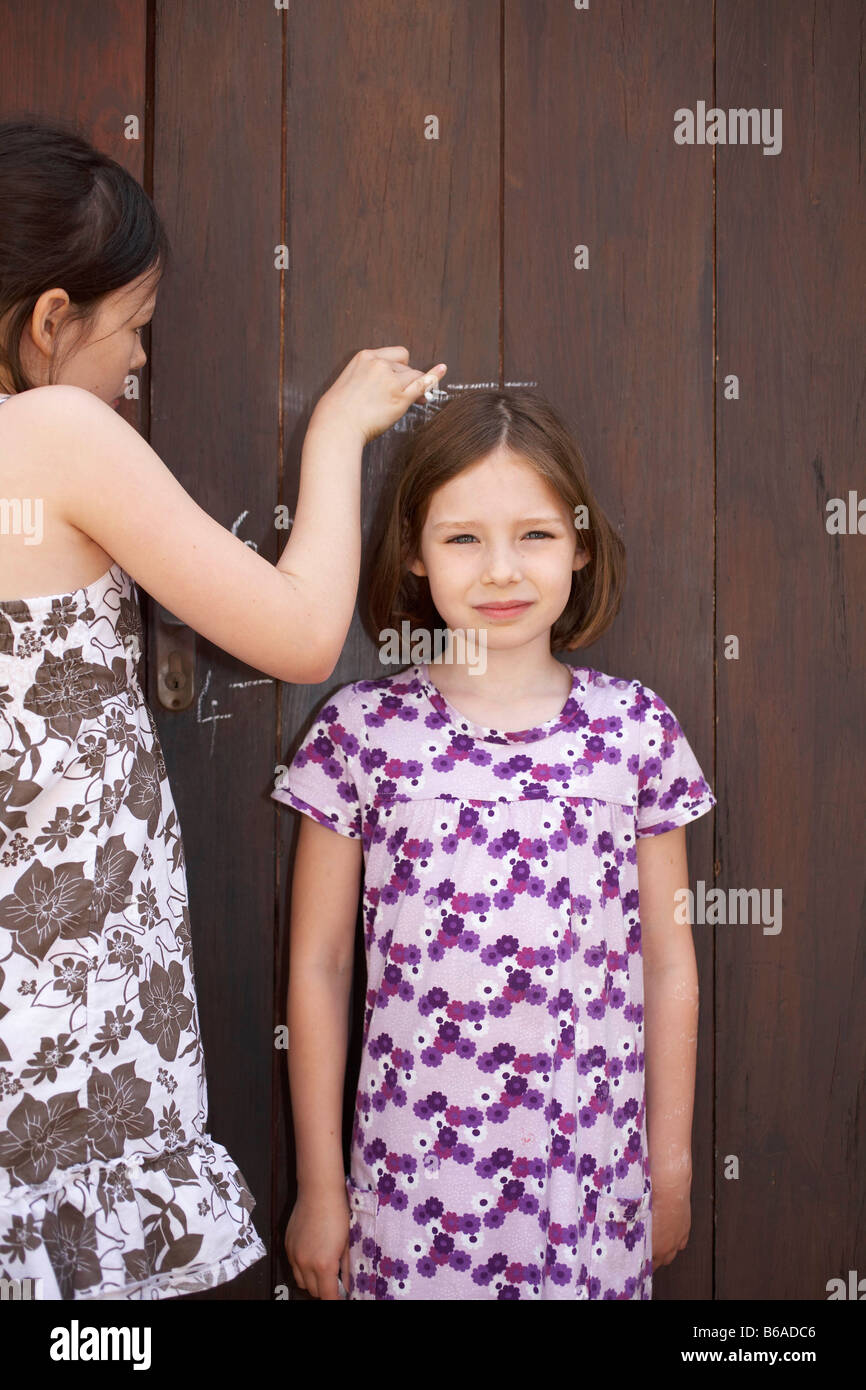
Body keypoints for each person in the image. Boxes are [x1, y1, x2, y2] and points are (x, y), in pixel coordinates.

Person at [0, 115, 446, 1299]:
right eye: (134, 328)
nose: (140, 361)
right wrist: (343, 432)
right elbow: (301, 635)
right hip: (65, 1038)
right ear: (50, 319)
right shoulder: (49, 436)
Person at [274, 387, 716, 1300]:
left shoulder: (635, 731)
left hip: (587, 1187)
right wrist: (323, 1189)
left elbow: (669, 965)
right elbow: (318, 967)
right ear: (415, 555)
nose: (501, 570)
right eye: (463, 537)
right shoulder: (362, 733)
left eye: (537, 535)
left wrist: (666, 1167)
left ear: (582, 545)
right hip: (412, 1191)